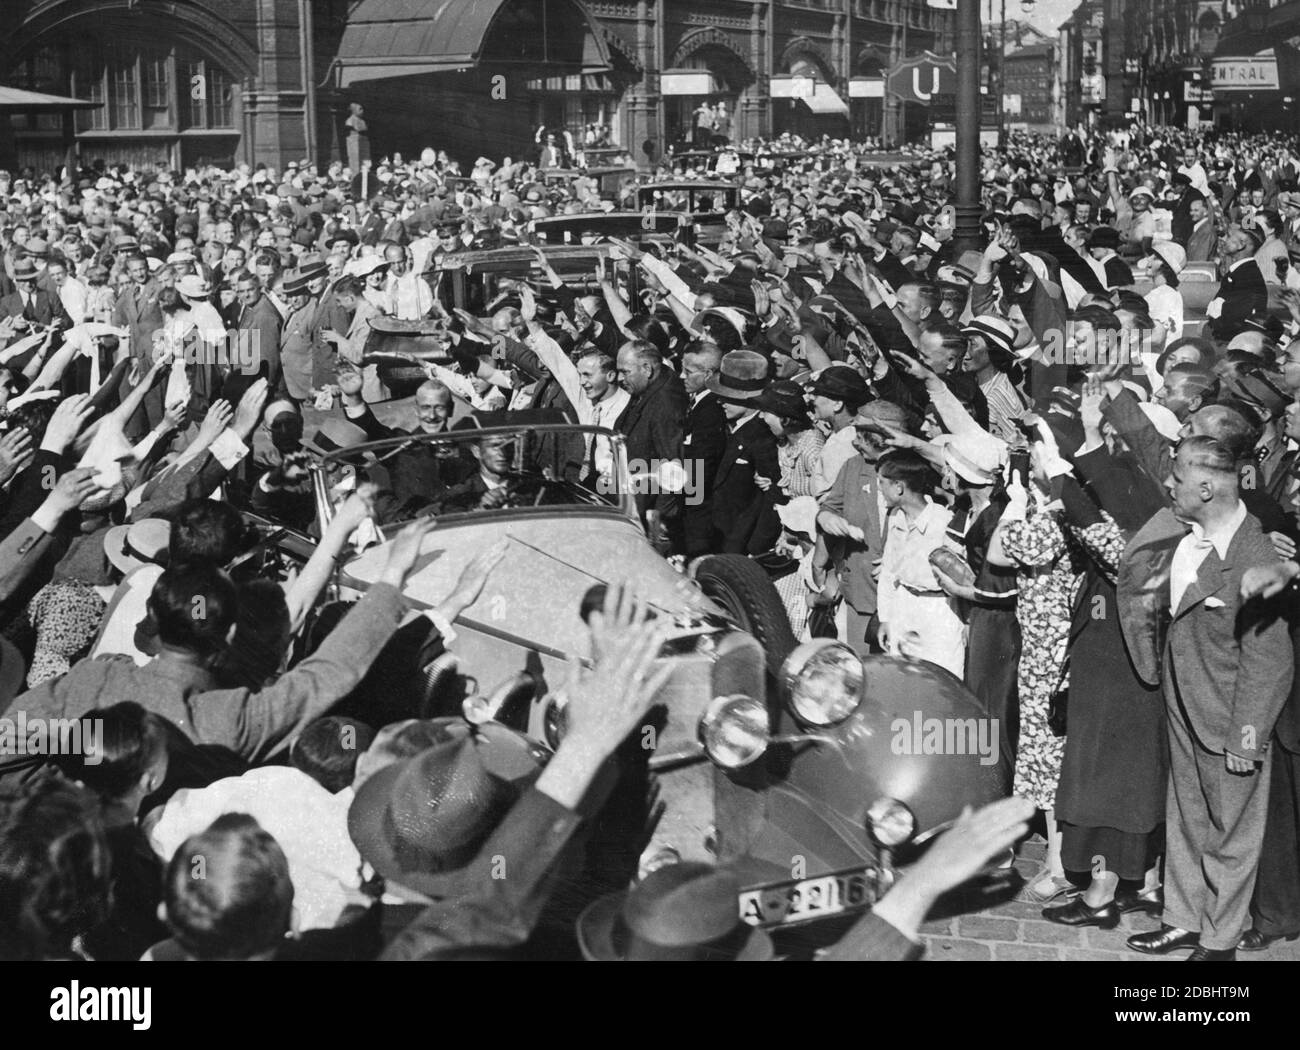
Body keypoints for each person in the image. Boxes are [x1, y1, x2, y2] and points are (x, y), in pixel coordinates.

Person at [1121, 437, 1293, 959]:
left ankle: (1220, 942)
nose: (1168, 485)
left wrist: (1248, 738)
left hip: (1230, 717)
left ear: (1204, 487)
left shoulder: (1254, 559)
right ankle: (1183, 918)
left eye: (1176, 478)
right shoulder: (1184, 530)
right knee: (1188, 817)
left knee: (1231, 836)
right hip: (1185, 703)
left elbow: (1271, 662)